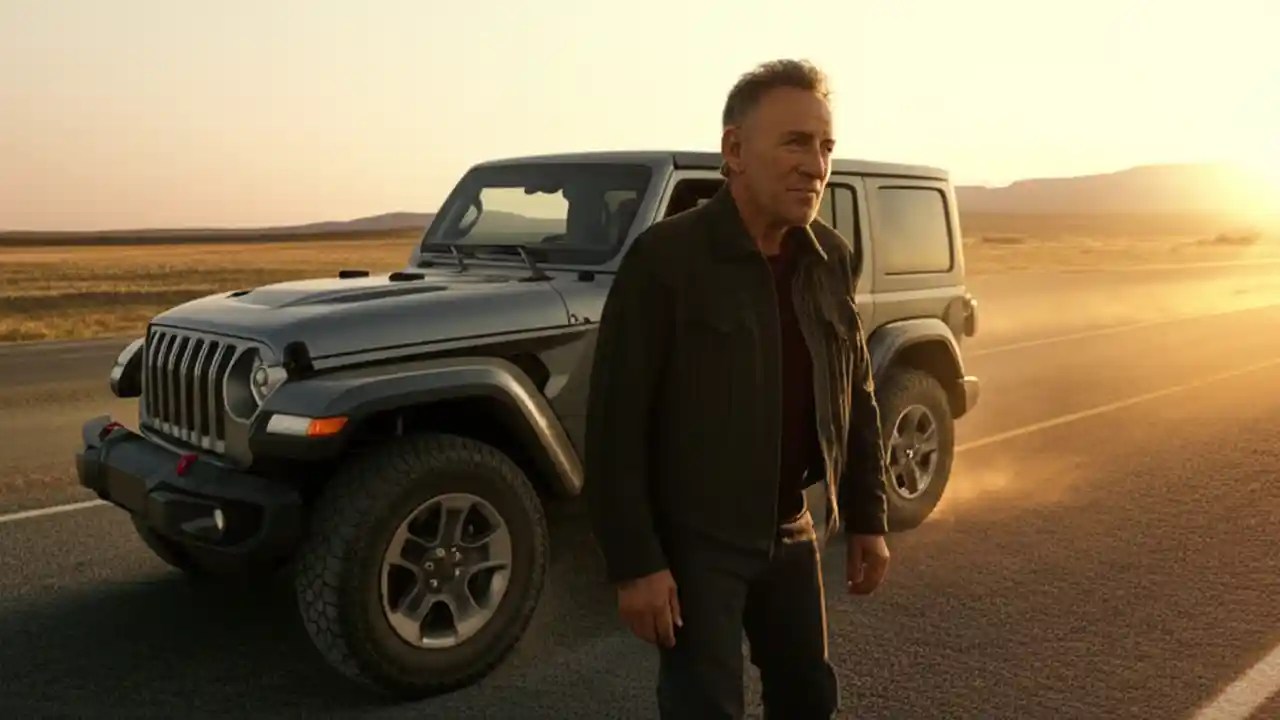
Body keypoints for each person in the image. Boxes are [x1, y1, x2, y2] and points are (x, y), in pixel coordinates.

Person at [583, 58, 892, 719]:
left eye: (825, 146)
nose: (816, 165)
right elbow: (614, 425)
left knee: (807, 697)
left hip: (791, 527)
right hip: (700, 541)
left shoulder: (828, 257)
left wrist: (869, 517)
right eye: (794, 142)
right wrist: (636, 563)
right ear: (733, 150)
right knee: (706, 707)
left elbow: (855, 392)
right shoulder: (667, 261)